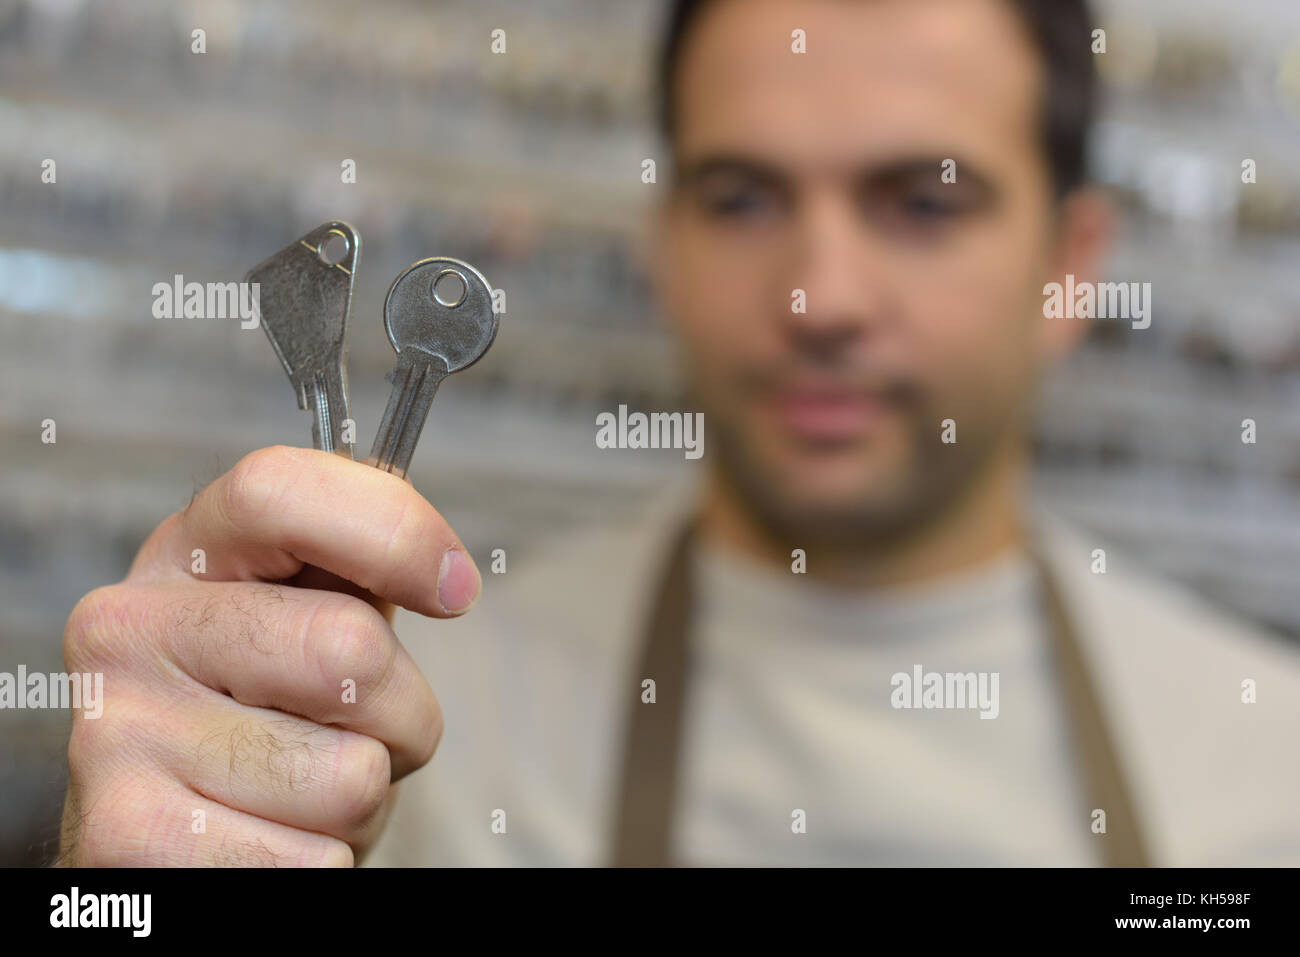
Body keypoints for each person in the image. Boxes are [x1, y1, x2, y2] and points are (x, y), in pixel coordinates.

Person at [57, 0, 1300, 868]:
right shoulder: (382, 731)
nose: (821, 297)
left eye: (924, 202)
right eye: (744, 197)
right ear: (667, 243)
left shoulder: (1270, 764)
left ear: (1071, 269)